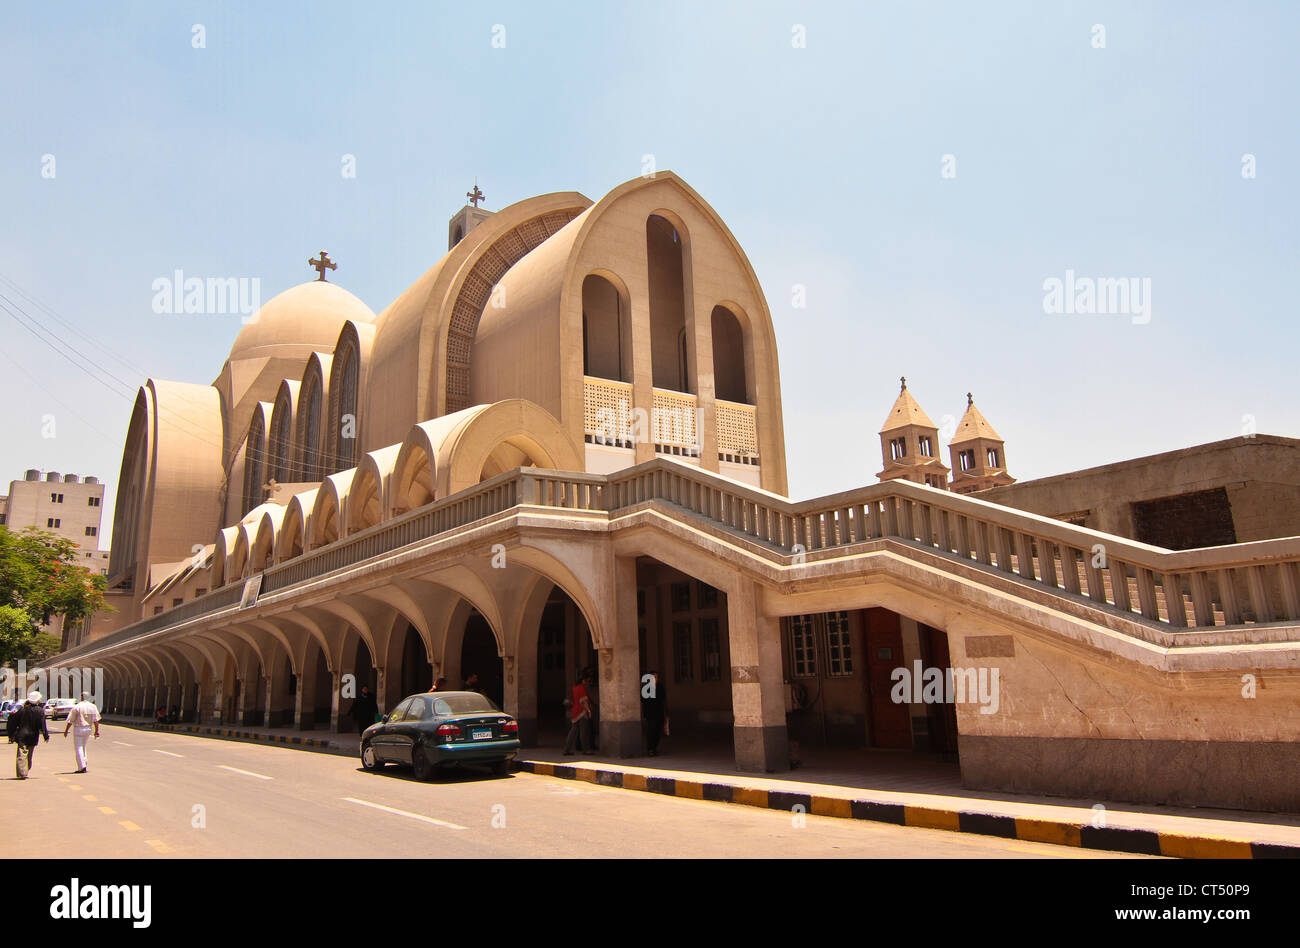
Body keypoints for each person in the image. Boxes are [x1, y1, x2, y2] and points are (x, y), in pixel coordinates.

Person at [7, 691, 49, 779]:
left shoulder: (22, 710)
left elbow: (13, 722)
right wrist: (45, 735)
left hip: (22, 735)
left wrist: (11, 734)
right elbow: (42, 725)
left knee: (22, 754)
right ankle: (24, 771)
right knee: (29, 755)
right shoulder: (40, 711)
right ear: (37, 700)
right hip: (33, 736)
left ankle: (22, 772)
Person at [63, 692, 101, 774]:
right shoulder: (93, 707)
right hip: (88, 729)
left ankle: (81, 767)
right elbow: (96, 720)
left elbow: (70, 720)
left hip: (79, 729)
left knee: (79, 747)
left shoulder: (77, 707)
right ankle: (84, 763)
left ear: (81, 697)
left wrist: (66, 730)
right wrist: (97, 730)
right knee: (83, 746)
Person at [562, 671, 595, 756]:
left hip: (574, 711)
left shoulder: (574, 688)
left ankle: (566, 749)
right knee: (584, 731)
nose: (587, 683)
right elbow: (584, 701)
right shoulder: (582, 688)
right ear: (584, 680)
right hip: (581, 711)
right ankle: (586, 749)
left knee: (573, 731)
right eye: (587, 681)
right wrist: (588, 711)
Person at [641, 670, 667, 757]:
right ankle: (650, 749)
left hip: (659, 713)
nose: (656, 679)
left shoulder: (660, 687)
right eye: (654, 677)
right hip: (650, 714)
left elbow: (663, 700)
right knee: (651, 731)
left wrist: (666, 713)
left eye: (657, 677)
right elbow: (644, 701)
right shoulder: (646, 688)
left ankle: (655, 747)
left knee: (658, 731)